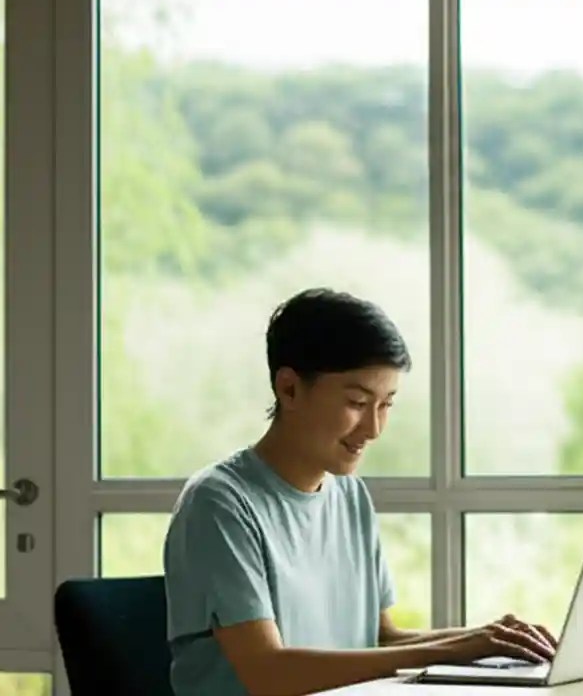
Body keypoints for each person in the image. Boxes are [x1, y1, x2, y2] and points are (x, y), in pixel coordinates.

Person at [163, 287, 558, 696]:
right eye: (357, 402)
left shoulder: (350, 496)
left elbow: (379, 640)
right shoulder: (219, 503)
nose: (373, 429)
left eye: (386, 404)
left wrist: (491, 639)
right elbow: (268, 672)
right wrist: (456, 649)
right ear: (289, 389)